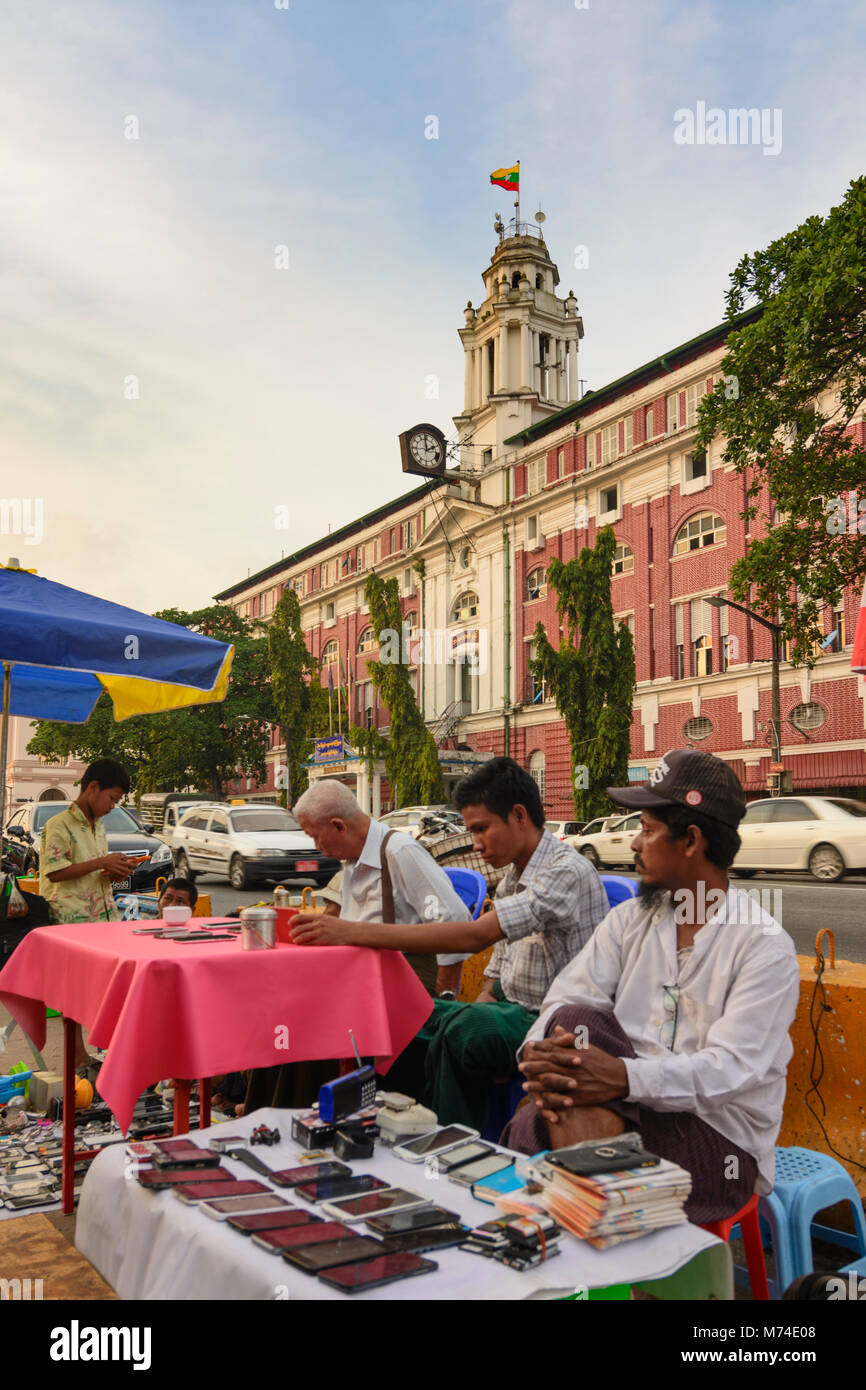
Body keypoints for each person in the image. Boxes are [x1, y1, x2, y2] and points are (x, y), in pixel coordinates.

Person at [504, 749, 800, 1223]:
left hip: (716, 1140)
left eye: (645, 829)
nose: (635, 844)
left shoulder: (764, 947)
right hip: (614, 1109)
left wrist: (622, 1078)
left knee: (536, 1125)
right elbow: (565, 1000)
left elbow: (730, 1070)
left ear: (691, 841)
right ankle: (610, 1235)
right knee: (573, 1024)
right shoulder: (629, 921)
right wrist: (539, 1056)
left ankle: (595, 1253)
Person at [292, 757, 609, 1132]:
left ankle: (452, 1138)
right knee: (410, 1017)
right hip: (511, 1008)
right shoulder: (513, 877)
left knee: (461, 1031)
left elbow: (472, 935)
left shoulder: (564, 872)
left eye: (482, 829)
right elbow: (495, 976)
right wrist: (468, 1008)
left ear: (519, 816)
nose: (475, 844)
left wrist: (347, 932)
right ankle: (389, 1120)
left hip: (558, 1020)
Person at [242, 781, 471, 1114]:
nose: (317, 847)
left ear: (338, 826)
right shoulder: (352, 862)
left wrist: (444, 1002)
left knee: (313, 1030)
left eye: (315, 836)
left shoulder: (400, 853)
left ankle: (299, 1113)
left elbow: (453, 924)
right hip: (363, 983)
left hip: (402, 985)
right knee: (284, 1011)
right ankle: (266, 1112)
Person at [38, 758, 138, 1064]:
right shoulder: (59, 825)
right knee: (74, 996)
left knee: (103, 990)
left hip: (102, 919)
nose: (112, 806)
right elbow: (54, 872)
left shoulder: (99, 827)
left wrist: (114, 870)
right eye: (112, 798)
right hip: (70, 922)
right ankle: (77, 1056)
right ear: (93, 788)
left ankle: (100, 1051)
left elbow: (93, 869)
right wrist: (101, 863)